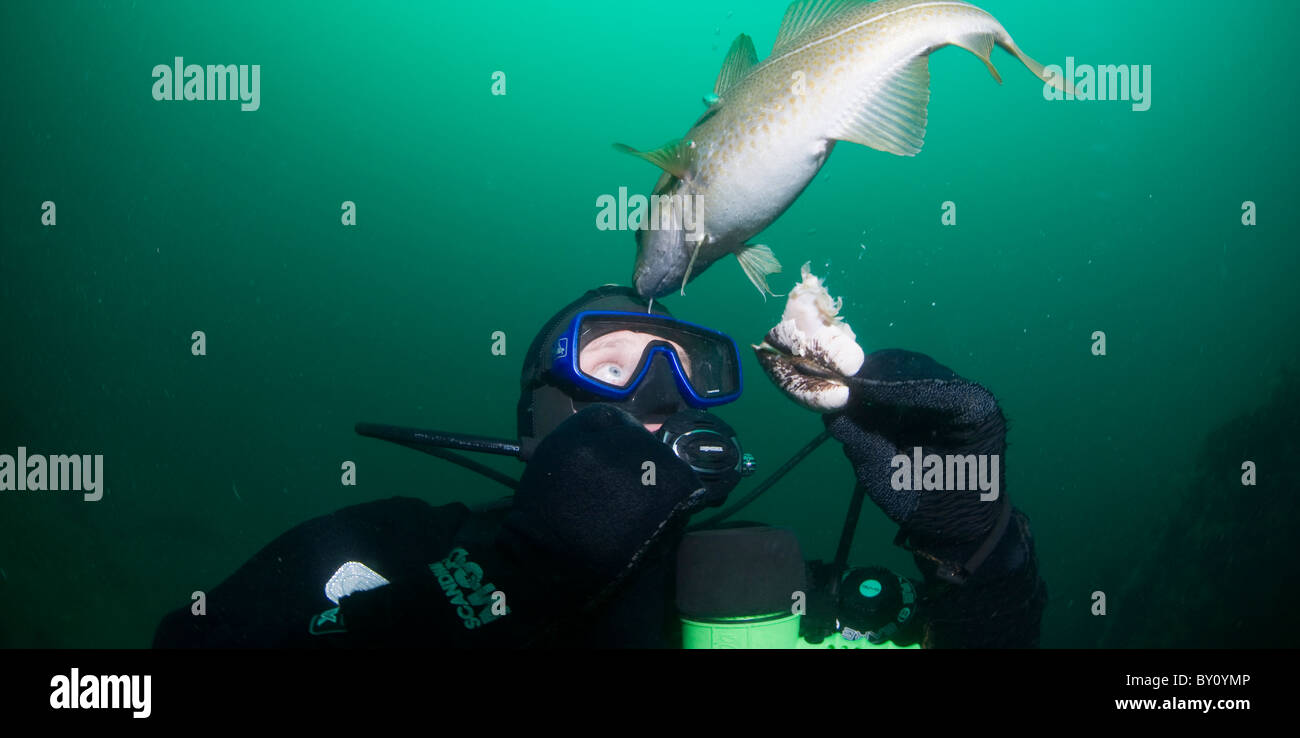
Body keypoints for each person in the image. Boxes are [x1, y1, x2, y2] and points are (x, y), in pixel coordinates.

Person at [153, 285, 1046, 648]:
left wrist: (974, 546)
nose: (655, 392)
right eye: (610, 364)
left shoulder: (774, 607)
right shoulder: (385, 546)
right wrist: (506, 586)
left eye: (684, 368)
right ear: (533, 416)